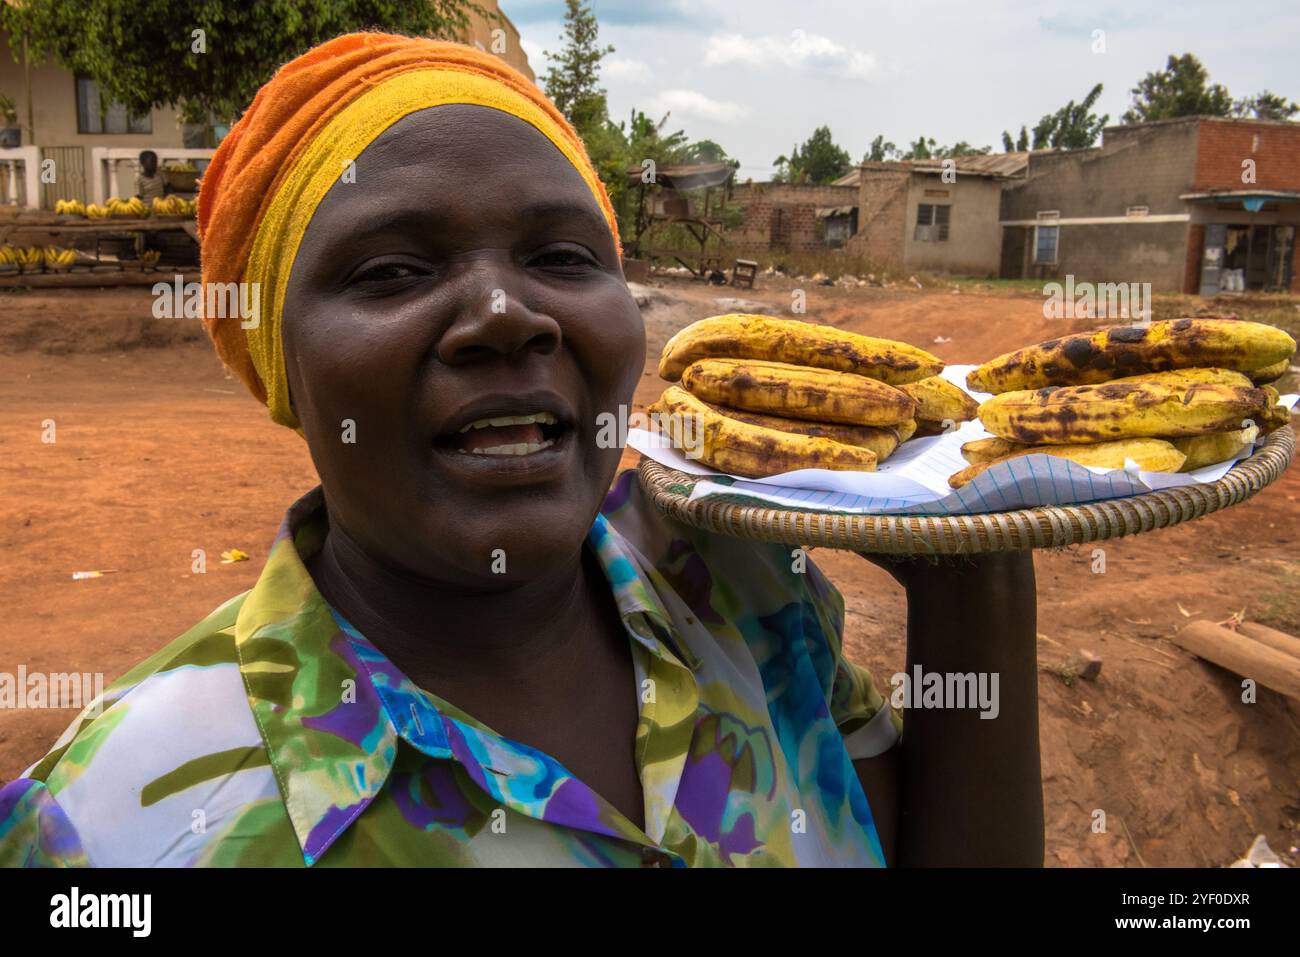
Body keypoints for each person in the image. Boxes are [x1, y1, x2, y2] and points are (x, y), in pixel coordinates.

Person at [0, 34, 1041, 867]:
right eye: (394, 271)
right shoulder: (114, 826)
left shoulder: (740, 588)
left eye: (560, 257)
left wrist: (975, 584)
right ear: (285, 365)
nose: (508, 316)